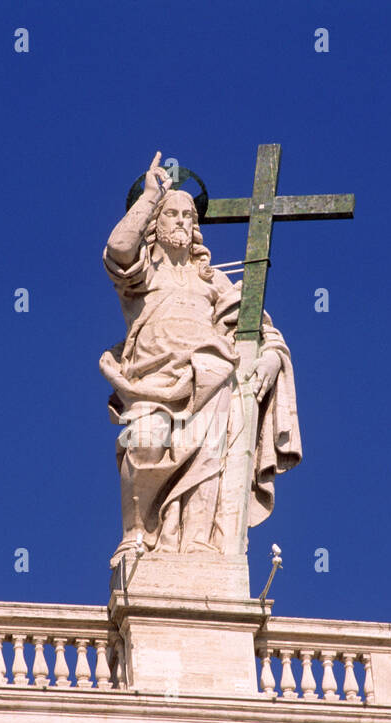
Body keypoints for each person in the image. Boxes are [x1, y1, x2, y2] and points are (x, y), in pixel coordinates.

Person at [100, 152, 300, 568]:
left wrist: (270, 360)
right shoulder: (143, 275)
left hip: (209, 382)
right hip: (151, 380)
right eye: (172, 214)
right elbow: (119, 247)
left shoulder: (212, 282)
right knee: (144, 442)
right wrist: (150, 197)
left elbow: (260, 329)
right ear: (156, 222)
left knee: (210, 461)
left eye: (189, 217)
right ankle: (138, 534)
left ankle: (195, 544)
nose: (183, 223)